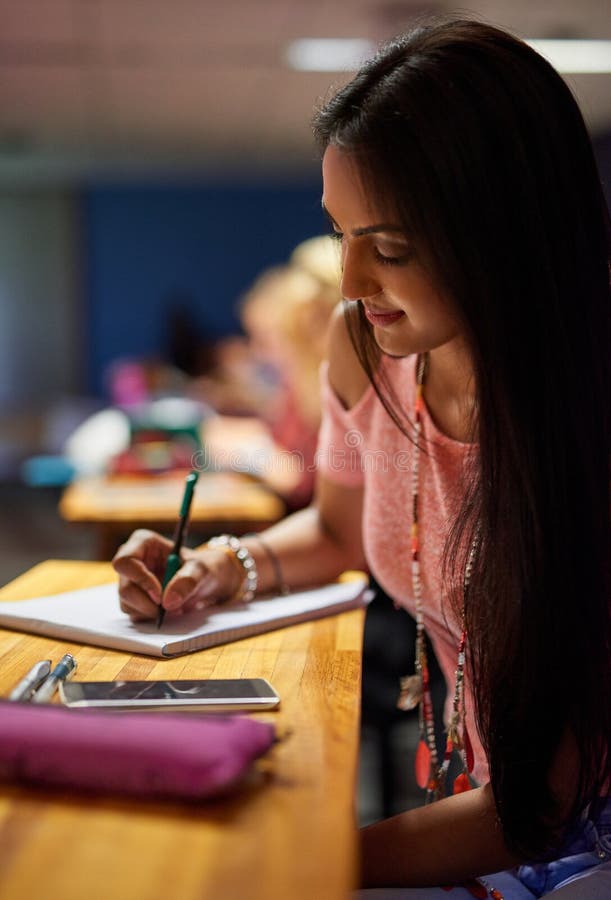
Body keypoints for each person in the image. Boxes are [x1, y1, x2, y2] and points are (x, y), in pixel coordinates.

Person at [112, 18, 610, 898]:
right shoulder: (368, 349)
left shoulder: (582, 420)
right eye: (339, 233)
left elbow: (546, 805)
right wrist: (224, 565)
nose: (348, 284)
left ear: (505, 237)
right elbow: (341, 530)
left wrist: (302, 862)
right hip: (482, 808)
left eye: (389, 249)